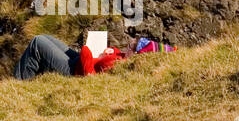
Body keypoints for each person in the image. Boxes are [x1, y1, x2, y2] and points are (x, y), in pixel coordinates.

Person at [14, 33, 172, 81]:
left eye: (131, 47)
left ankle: (18, 85)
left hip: (74, 71)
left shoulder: (117, 66)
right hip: (77, 62)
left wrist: (87, 50)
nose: (128, 46)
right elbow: (116, 54)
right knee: (45, 38)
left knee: (37, 43)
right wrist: (109, 51)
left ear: (137, 55)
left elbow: (88, 73)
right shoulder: (124, 60)